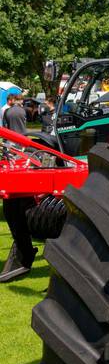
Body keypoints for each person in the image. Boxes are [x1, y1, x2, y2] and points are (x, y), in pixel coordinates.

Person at [1, 90, 38, 281]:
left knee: (13, 204)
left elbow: (5, 127)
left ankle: (24, 249)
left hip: (11, 144)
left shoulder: (6, 112)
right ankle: (25, 248)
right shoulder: (23, 112)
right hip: (23, 144)